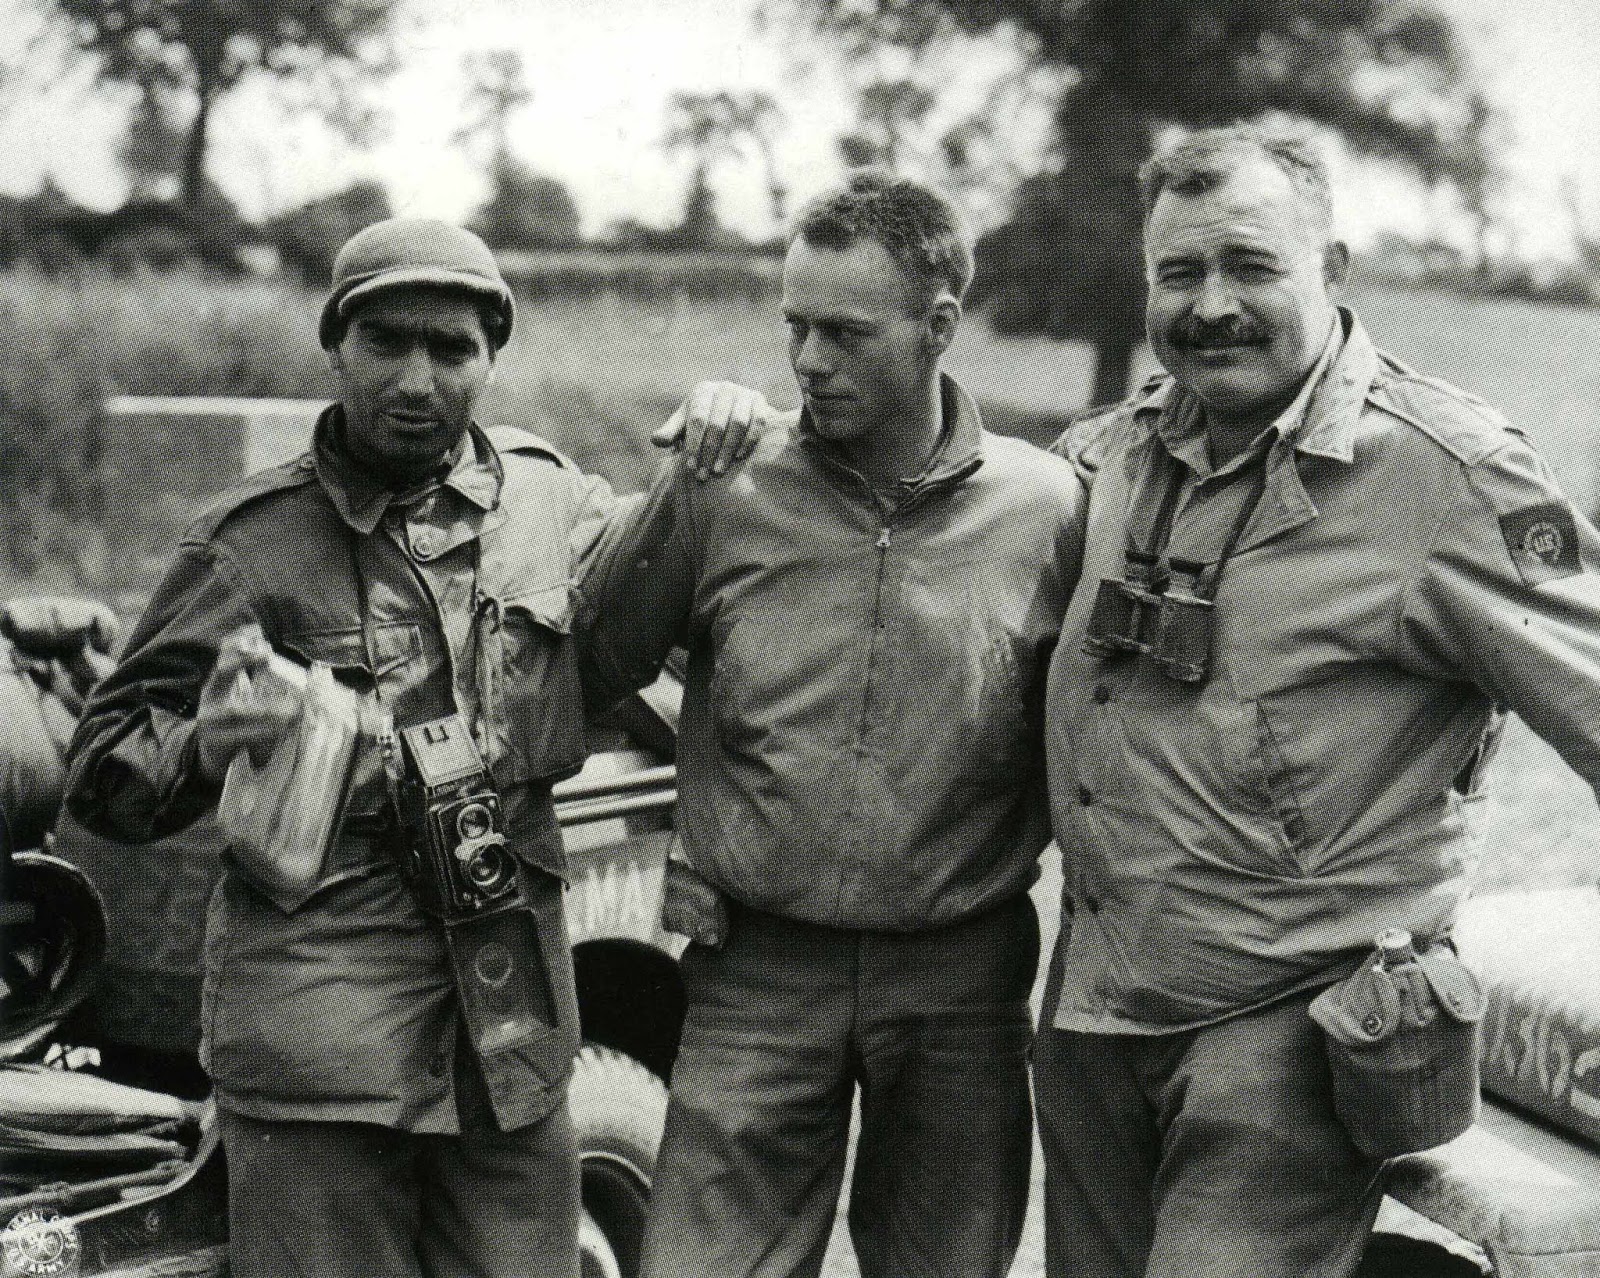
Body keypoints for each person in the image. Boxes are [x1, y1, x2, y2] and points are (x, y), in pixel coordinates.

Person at [64, 218, 759, 1278]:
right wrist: (206, 743)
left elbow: (649, 626)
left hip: (508, 1036)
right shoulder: (248, 543)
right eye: (386, 342)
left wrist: (712, 454)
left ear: (491, 359)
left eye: (453, 349)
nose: (417, 378)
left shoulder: (549, 501)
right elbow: (105, 772)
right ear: (334, 344)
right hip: (322, 1043)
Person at [1034, 123, 1600, 1278]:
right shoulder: (1116, 454)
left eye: (1250, 266)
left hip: (1291, 1026)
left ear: (1331, 269)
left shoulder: (1448, 476)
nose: (1210, 306)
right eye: (1177, 273)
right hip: (1093, 1008)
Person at [582, 170, 1086, 1278]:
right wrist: (666, 485)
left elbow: (1099, 740)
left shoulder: (1047, 511)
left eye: (845, 332)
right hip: (757, 972)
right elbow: (588, 656)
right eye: (794, 327)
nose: (808, 361)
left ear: (938, 327)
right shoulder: (725, 484)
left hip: (960, 977)